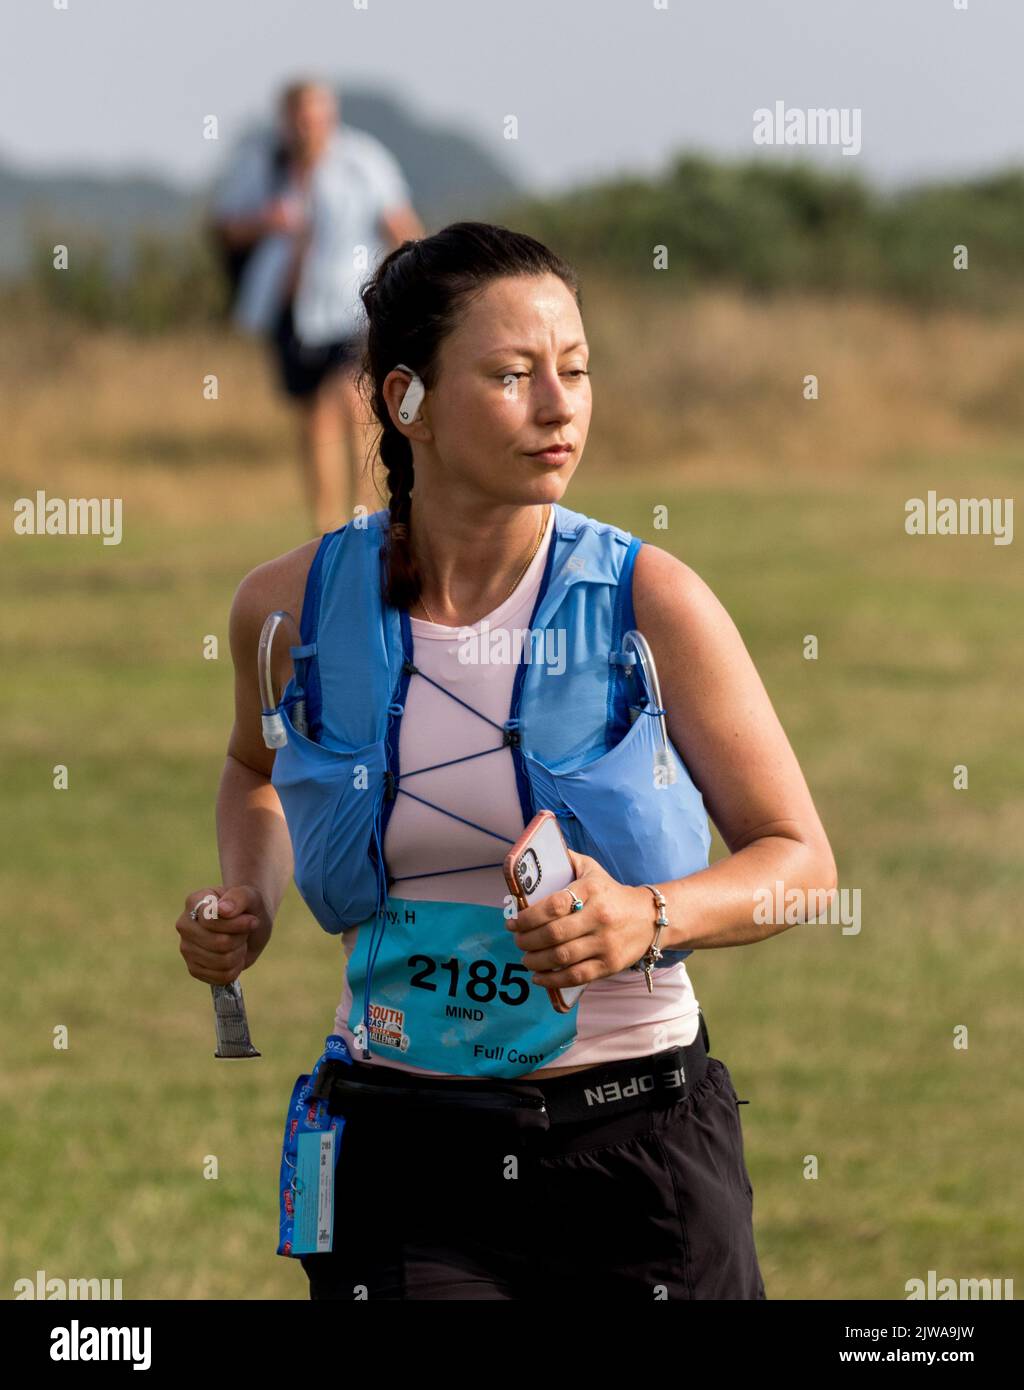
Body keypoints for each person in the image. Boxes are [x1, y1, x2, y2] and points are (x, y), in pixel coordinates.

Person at [176, 221, 837, 1300]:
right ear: (408, 402)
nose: (558, 404)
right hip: (398, 1147)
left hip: (637, 1147)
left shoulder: (648, 599)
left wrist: (647, 917)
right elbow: (254, 768)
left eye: (574, 370)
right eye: (512, 373)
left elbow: (802, 863)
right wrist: (246, 897)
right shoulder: (286, 606)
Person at [208, 78, 425, 532]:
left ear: (331, 117)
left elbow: (398, 224)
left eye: (316, 118)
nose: (308, 129)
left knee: (350, 398)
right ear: (286, 122)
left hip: (352, 304)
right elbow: (226, 228)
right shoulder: (265, 166)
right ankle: (326, 524)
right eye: (299, 120)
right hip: (290, 311)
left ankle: (367, 511)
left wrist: (424, 282)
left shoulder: (361, 161)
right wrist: (266, 220)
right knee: (313, 416)